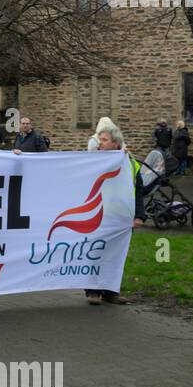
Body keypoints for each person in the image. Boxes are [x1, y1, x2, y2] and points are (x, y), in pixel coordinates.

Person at [85, 121, 146, 306]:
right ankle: (93, 291)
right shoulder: (92, 161)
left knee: (116, 255)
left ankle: (111, 291)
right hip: (100, 216)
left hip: (121, 218)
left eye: (104, 140)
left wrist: (139, 215)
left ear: (116, 144)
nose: (100, 143)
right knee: (96, 253)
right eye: (99, 140)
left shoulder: (130, 164)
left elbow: (139, 190)